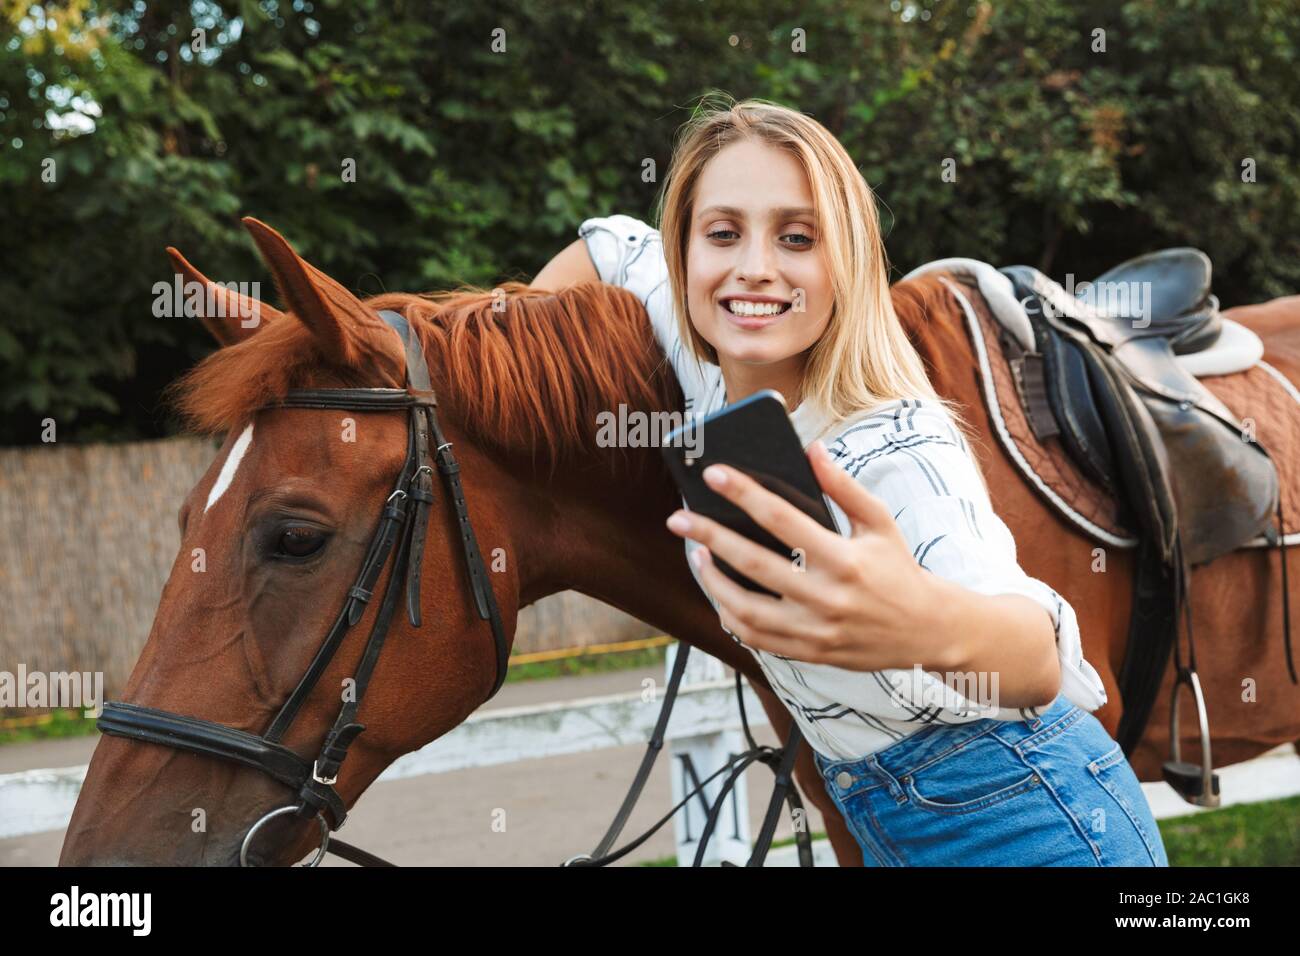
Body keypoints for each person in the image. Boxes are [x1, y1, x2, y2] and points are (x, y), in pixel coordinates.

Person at [532, 95, 1167, 867]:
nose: (754, 266)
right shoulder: (708, 345)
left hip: (1029, 822)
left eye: (798, 238)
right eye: (723, 232)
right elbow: (609, 248)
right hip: (882, 818)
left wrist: (919, 621)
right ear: (686, 252)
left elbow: (1036, 660)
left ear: (848, 264)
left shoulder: (894, 445)